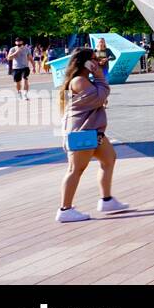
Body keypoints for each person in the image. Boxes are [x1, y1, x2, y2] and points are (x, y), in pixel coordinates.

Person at [56, 47, 130, 222]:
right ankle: (65, 210)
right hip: (81, 132)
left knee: (109, 158)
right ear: (85, 62)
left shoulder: (82, 80)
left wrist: (97, 77)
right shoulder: (79, 81)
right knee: (76, 170)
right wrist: (99, 75)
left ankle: (107, 200)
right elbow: (100, 97)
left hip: (92, 130)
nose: (97, 61)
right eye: (93, 59)